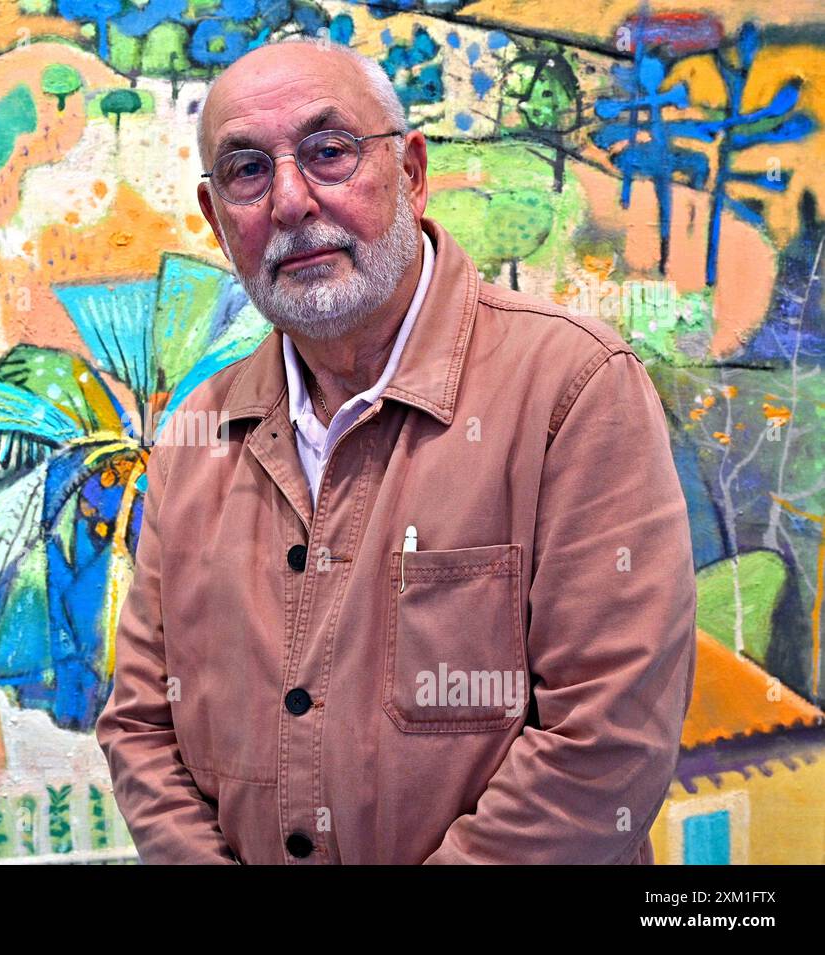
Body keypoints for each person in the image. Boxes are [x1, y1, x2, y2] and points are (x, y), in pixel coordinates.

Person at [94, 35, 697, 864]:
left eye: (330, 152)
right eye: (246, 172)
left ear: (412, 173)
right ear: (215, 219)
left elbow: (606, 736)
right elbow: (140, 726)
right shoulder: (197, 435)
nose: (292, 201)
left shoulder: (573, 388)